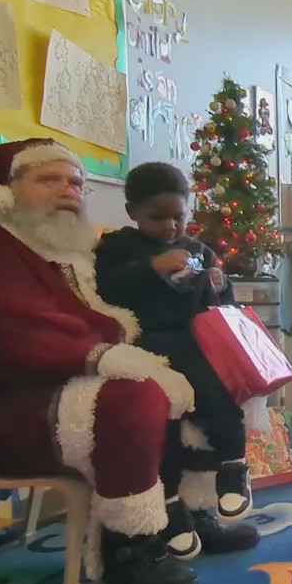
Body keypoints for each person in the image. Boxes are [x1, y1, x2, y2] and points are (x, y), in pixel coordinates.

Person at [0, 139, 245, 584]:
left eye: (75, 182)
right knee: (137, 394)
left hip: (79, 380)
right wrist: (109, 357)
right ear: (9, 188)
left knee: (198, 377)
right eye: (48, 180)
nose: (67, 191)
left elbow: (119, 312)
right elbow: (15, 329)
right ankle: (131, 546)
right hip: (14, 408)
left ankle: (192, 512)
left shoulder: (77, 252)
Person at [95, 162, 261, 560]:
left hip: (197, 345)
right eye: (158, 217)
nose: (171, 226)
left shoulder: (198, 250)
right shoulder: (120, 248)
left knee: (220, 394)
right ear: (133, 211)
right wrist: (152, 268)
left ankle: (233, 471)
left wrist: (220, 286)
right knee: (164, 421)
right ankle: (170, 508)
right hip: (149, 350)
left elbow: (220, 307)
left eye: (179, 216)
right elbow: (107, 288)